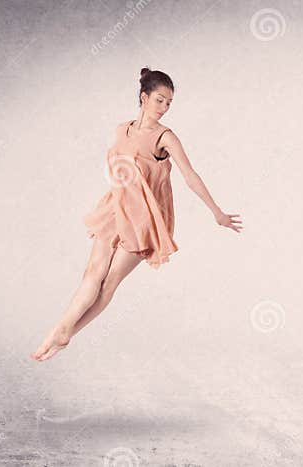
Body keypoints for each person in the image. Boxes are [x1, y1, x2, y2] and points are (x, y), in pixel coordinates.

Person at [30, 67, 242, 362]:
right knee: (92, 272)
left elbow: (190, 176)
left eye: (169, 103)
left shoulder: (165, 138)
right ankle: (62, 330)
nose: (165, 108)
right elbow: (118, 167)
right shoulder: (121, 130)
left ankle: (67, 332)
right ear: (144, 98)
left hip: (144, 219)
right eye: (160, 100)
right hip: (116, 208)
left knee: (109, 281)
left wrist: (216, 212)